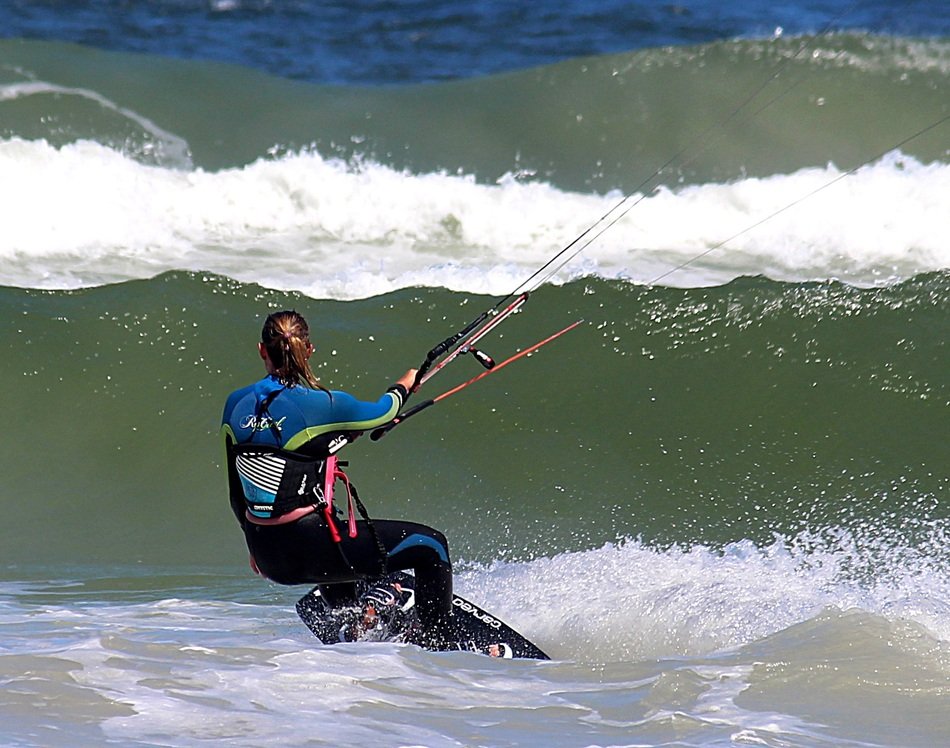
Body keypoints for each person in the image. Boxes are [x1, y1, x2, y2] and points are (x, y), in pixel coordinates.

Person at [220, 309, 454, 646]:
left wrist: (254, 544)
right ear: (308, 350)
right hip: (310, 551)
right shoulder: (324, 404)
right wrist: (405, 383)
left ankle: (353, 622)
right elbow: (385, 411)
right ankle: (437, 644)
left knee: (329, 526)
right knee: (432, 546)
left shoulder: (235, 404)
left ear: (262, 350)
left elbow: (237, 494)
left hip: (268, 555)